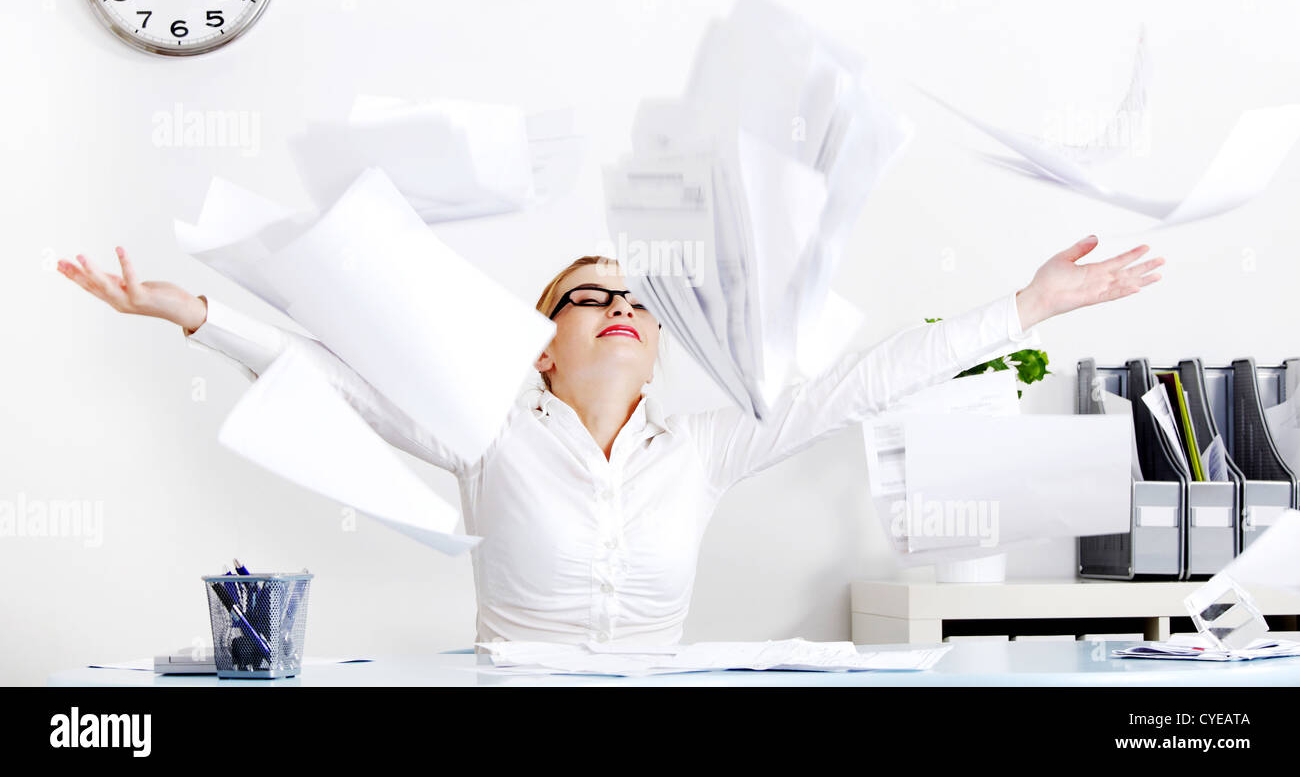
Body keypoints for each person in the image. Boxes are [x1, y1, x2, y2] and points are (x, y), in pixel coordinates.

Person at [57, 235, 1163, 647]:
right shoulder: (485, 431)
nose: (616, 304)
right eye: (587, 298)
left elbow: (859, 383)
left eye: (631, 297)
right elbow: (328, 384)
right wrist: (193, 315)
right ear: (547, 346)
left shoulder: (706, 449)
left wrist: (1026, 309)